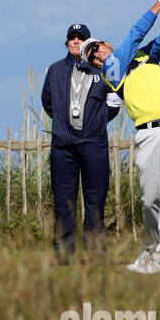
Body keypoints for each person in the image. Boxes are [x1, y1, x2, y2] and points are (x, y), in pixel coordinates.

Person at [82, 0, 160, 273]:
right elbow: (135, 34)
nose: (95, 55)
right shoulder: (112, 72)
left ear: (105, 44)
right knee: (150, 198)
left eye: (96, 48)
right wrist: (159, 1)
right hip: (149, 133)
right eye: (91, 57)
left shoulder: (144, 57)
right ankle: (152, 249)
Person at [41, 21, 121, 254]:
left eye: (81, 37)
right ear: (66, 42)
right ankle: (64, 250)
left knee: (95, 199)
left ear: (89, 43)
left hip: (94, 145)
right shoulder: (55, 70)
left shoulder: (102, 68)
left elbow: (114, 103)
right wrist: (64, 124)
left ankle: (94, 248)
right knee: (63, 201)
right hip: (63, 146)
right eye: (72, 37)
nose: (76, 41)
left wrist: (96, 122)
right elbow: (48, 103)